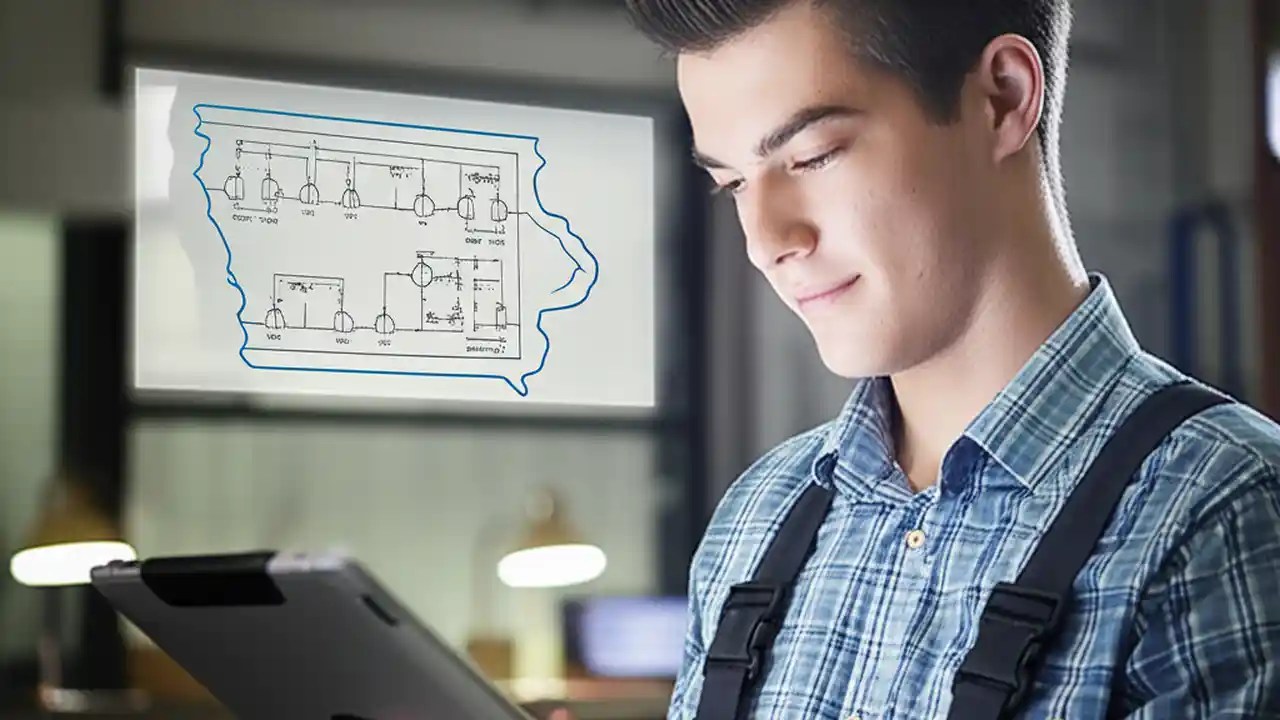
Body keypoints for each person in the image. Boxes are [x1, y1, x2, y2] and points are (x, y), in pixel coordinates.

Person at [615, 0, 1280, 718]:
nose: (767, 241)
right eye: (734, 184)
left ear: (1002, 99)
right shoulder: (753, 523)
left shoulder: (1218, 515)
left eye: (813, 156)